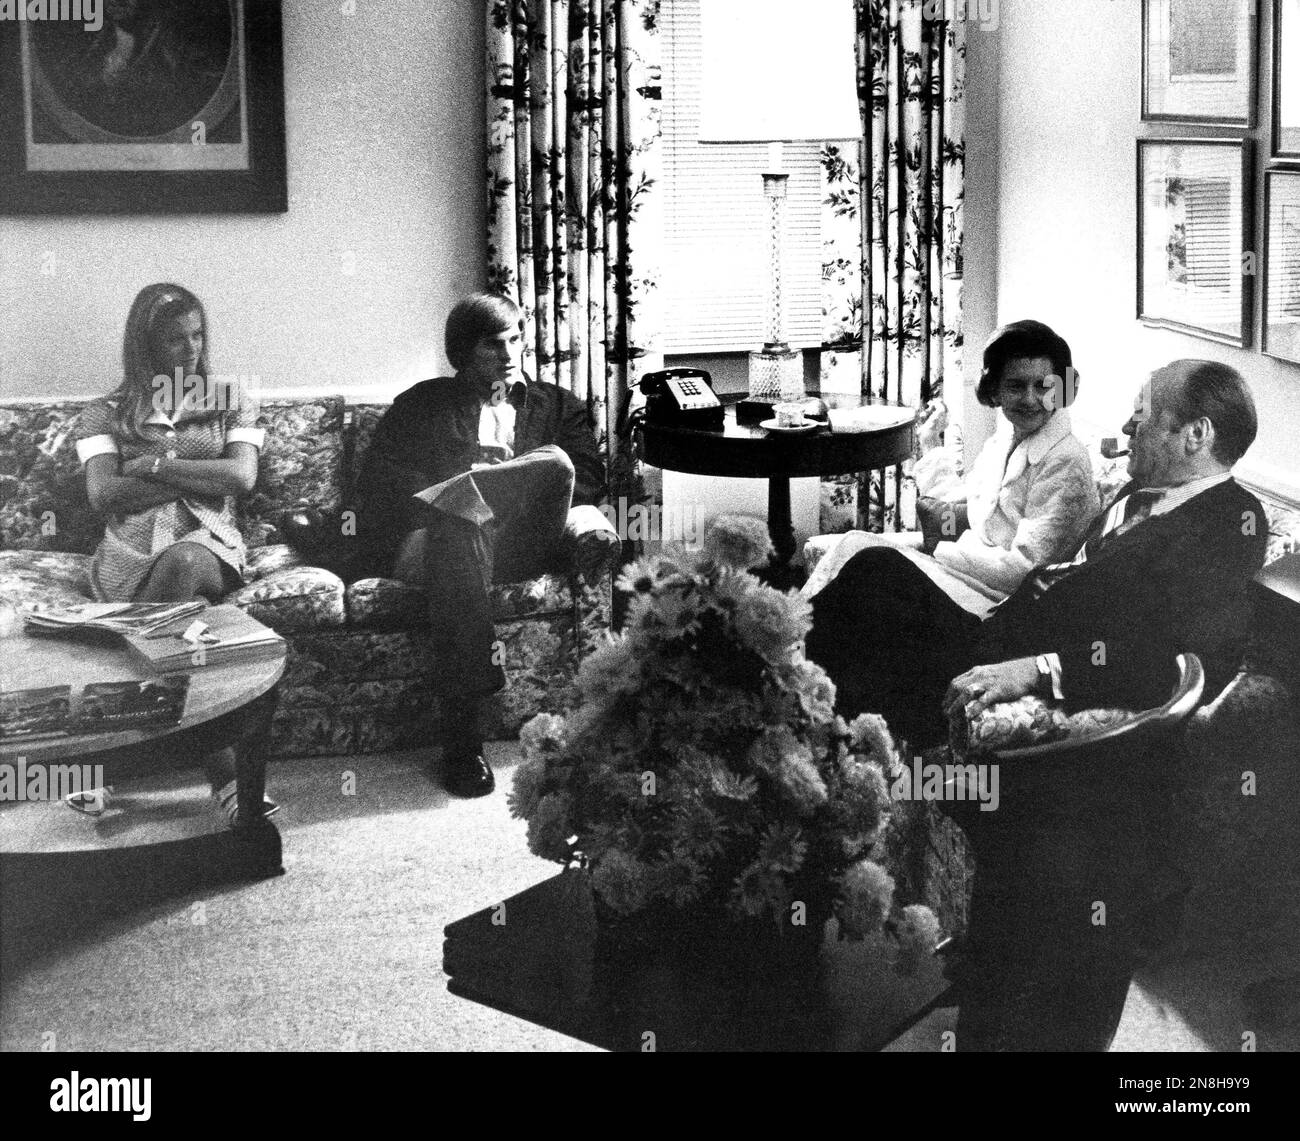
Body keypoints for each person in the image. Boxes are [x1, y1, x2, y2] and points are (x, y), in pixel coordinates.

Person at [805, 359, 1267, 1050]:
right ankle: (809, 751)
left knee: (864, 612)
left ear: (1196, 433)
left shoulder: (1230, 521)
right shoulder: (1145, 493)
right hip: (997, 630)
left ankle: (812, 786)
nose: (1128, 423)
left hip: (1023, 672)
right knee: (872, 573)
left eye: (1145, 410)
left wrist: (1037, 670)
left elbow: (1173, 657)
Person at [354, 293, 621, 799]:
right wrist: (467, 481)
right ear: (462, 353)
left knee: (556, 464)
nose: (508, 353)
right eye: (491, 345)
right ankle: (463, 735)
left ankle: (476, 493)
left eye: (515, 339)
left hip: (522, 540)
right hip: (434, 545)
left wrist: (510, 485)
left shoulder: (558, 405)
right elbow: (381, 484)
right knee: (464, 516)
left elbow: (586, 480)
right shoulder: (421, 404)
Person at [70, 282, 273, 828]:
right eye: (175, 339)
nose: (191, 349)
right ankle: (229, 779)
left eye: (197, 334)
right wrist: (191, 478)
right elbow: (103, 496)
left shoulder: (231, 398)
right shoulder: (105, 412)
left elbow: (239, 476)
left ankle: (104, 761)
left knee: (182, 564)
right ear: (145, 347)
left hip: (206, 542)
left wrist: (153, 467)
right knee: (178, 628)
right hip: (128, 553)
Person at [802, 320, 1099, 613]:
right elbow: (961, 501)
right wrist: (929, 439)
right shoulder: (1005, 440)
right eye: (1016, 386)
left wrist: (940, 553)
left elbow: (1026, 569)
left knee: (872, 566)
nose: (1030, 399)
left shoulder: (1065, 461)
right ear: (994, 389)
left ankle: (785, 643)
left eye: (1043, 386)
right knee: (856, 545)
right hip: (967, 578)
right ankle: (787, 640)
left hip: (1001, 604)